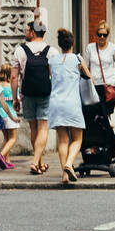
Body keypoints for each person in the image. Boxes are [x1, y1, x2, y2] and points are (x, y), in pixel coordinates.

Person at [47, 28, 89, 186]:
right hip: (72, 103)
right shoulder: (77, 59)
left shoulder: (52, 60)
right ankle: (69, 164)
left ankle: (65, 175)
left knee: (63, 140)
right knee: (78, 138)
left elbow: (52, 77)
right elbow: (88, 76)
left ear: (60, 45)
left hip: (56, 102)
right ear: (72, 43)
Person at [13, 18, 52, 175]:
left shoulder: (20, 50)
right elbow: (53, 75)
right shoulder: (51, 50)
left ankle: (36, 162)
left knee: (33, 128)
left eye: (27, 31)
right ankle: (39, 162)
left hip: (27, 93)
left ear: (33, 32)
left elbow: (14, 77)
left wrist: (15, 97)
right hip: (45, 93)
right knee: (43, 127)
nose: (25, 33)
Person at [85, 21, 115, 161]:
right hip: (94, 87)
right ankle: (99, 148)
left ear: (108, 35)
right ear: (96, 35)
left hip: (108, 87)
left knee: (107, 117)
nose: (102, 38)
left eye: (105, 35)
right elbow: (86, 66)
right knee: (95, 118)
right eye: (99, 35)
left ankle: (113, 148)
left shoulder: (113, 48)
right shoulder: (90, 48)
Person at [0, 64, 20, 169]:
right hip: (10, 114)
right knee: (13, 138)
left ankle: (6, 161)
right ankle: (1, 154)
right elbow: (16, 100)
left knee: (6, 137)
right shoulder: (12, 86)